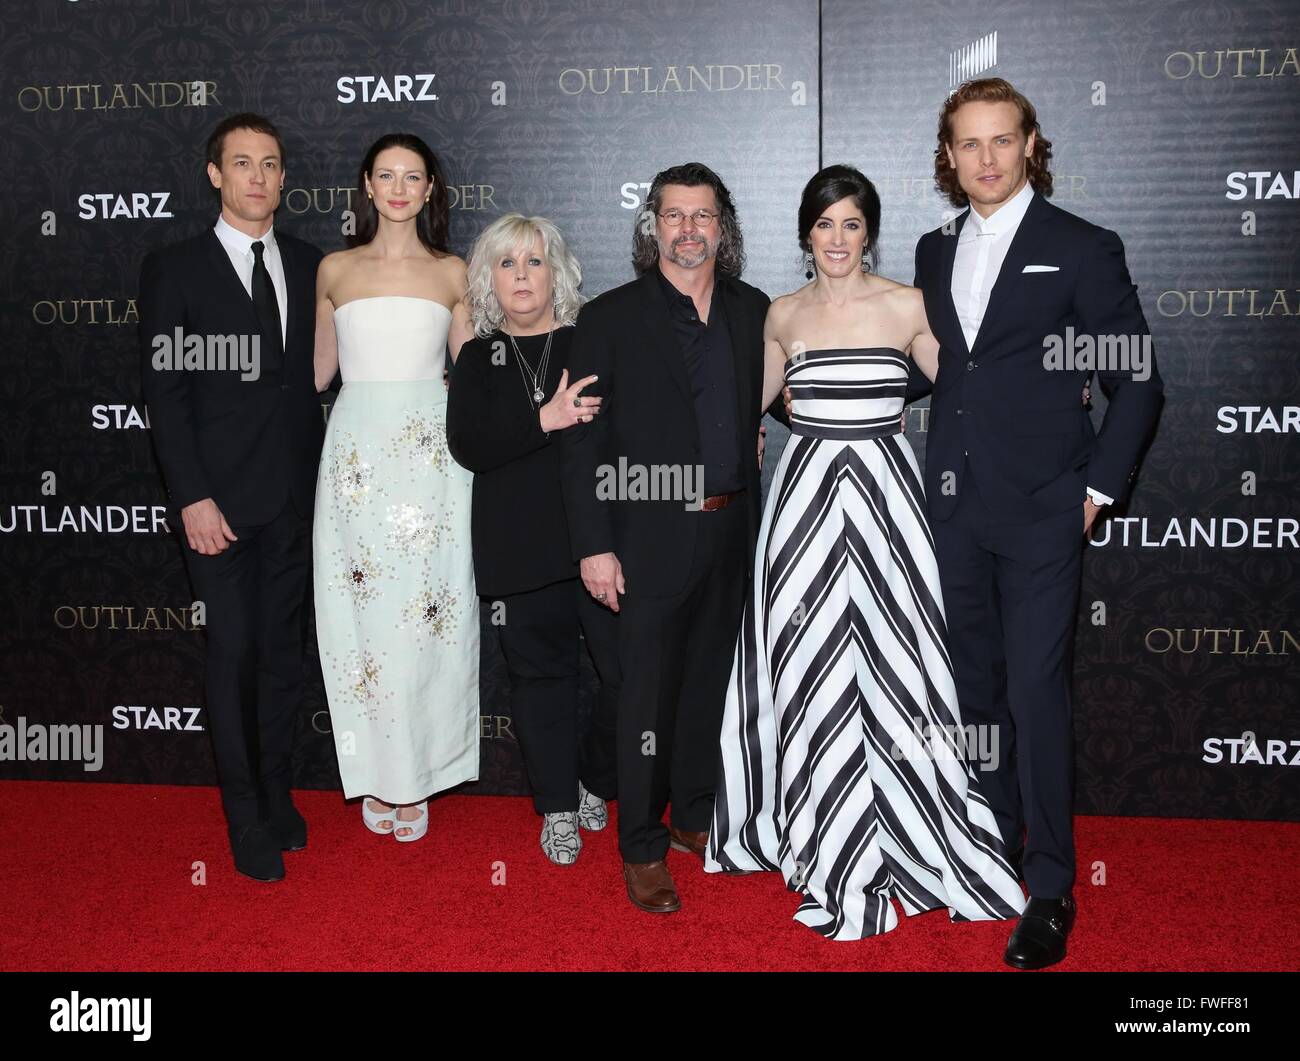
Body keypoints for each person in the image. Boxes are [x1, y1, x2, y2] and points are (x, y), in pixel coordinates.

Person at [707, 164, 1026, 941]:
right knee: (810, 665)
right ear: (805, 233)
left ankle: (909, 823)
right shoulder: (780, 314)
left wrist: (1050, 399)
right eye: (824, 224)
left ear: (869, 232)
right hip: (805, 503)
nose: (838, 239)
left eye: (852, 224)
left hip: (887, 499)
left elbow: (973, 386)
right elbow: (743, 405)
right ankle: (820, 824)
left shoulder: (910, 304)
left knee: (896, 663)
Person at [911, 78, 1163, 968]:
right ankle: (993, 846)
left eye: (1001, 141)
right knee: (974, 693)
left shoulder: (1081, 247)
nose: (985, 158)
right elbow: (949, 371)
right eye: (968, 144)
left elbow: (1136, 377)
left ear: (1030, 145)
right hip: (954, 504)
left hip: (1045, 508)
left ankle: (1052, 886)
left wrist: (1098, 488)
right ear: (949, 156)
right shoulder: (933, 250)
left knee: (1034, 694)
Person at [560, 162, 783, 913]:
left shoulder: (757, 311)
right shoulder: (609, 317)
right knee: (643, 700)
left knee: (706, 688)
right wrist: (594, 543)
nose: (690, 229)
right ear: (652, 224)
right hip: (646, 534)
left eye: (704, 216)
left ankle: (693, 814)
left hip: (732, 527)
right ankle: (641, 846)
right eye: (675, 215)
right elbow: (580, 443)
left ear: (724, 227)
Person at [139, 113, 323, 882]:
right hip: (216, 506)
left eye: (270, 164)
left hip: (294, 499)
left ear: (284, 177)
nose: (257, 177)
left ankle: (277, 796)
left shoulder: (314, 263)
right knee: (235, 652)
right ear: (214, 174)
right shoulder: (174, 266)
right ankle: (243, 815)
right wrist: (192, 498)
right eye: (241, 163)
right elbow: (164, 393)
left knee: (283, 658)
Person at [312, 133, 479, 842]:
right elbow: (315, 375)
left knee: (426, 622)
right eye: (387, 175)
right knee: (363, 625)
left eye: (414, 176)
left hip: (432, 458)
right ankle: (379, 771)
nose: (400, 188)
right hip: (354, 462)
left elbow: (473, 377)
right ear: (368, 186)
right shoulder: (334, 270)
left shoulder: (453, 272)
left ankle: (418, 775)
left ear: (431, 188)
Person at [446, 214, 619, 865]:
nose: (522, 276)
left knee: (623, 677)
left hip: (596, 543)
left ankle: (596, 780)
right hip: (516, 548)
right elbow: (469, 446)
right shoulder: (476, 357)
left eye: (535, 262)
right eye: (508, 263)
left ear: (558, 273)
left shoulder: (590, 343)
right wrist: (545, 417)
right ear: (490, 278)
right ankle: (556, 807)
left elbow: (617, 437)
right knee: (539, 681)